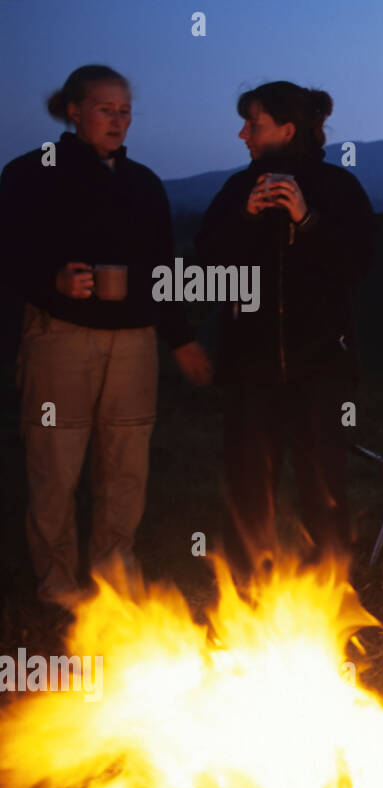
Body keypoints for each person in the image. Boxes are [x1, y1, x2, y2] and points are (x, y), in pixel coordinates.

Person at [0, 65, 212, 609]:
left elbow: (164, 264)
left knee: (125, 465)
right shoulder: (31, 172)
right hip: (60, 337)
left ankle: (114, 577)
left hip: (134, 340)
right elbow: (9, 253)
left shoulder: (142, 183)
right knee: (55, 462)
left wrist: (181, 338)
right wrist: (53, 282)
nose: (118, 120)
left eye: (125, 111)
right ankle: (57, 584)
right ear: (73, 111)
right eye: (105, 109)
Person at [195, 81, 375, 580]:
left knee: (325, 492)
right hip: (248, 371)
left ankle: (327, 600)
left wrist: (307, 218)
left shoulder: (337, 189)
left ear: (287, 129)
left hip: (321, 368)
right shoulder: (237, 190)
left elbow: (356, 264)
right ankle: (247, 600)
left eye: (253, 124)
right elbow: (206, 269)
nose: (242, 134)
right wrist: (246, 218)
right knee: (248, 494)